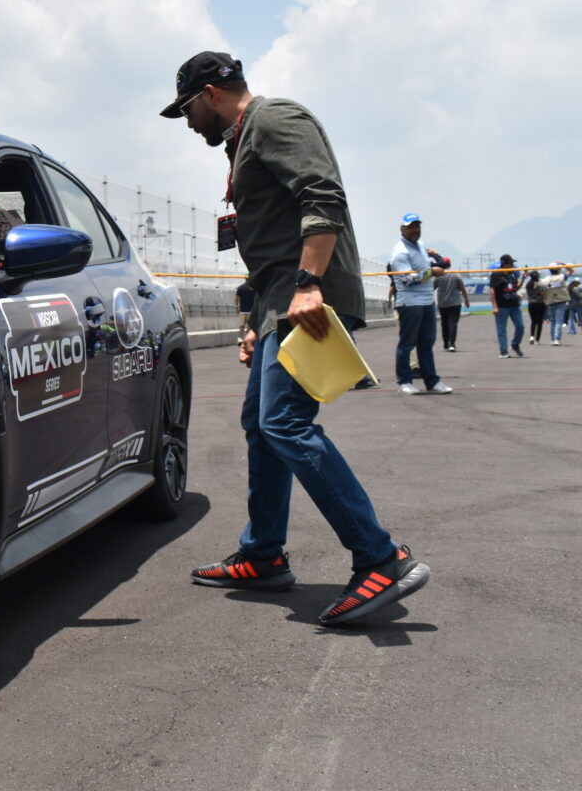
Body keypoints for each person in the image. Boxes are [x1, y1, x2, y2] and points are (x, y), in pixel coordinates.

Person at [160, 50, 428, 626]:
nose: (186, 123)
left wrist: (309, 285)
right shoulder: (243, 140)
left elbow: (323, 196)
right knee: (261, 424)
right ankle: (263, 555)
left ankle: (382, 559)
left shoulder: (276, 118)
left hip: (308, 302)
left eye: (186, 109)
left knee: (284, 422)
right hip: (281, 302)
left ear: (210, 93)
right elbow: (269, 246)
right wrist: (256, 319)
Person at [388, 214, 452, 394]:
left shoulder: (421, 247)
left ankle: (432, 381)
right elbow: (407, 278)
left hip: (427, 301)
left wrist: (435, 261)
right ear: (402, 229)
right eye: (411, 227)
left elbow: (439, 265)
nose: (415, 230)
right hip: (410, 303)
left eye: (417, 226)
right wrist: (432, 272)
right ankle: (404, 381)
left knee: (426, 343)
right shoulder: (401, 252)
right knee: (407, 344)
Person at [489, 255, 525, 358]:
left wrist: (523, 278)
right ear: (504, 263)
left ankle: (515, 344)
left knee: (520, 326)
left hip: (514, 304)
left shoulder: (512, 274)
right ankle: (503, 351)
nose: (512, 265)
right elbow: (492, 291)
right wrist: (495, 306)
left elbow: (516, 288)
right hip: (502, 306)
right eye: (510, 263)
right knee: (502, 330)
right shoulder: (496, 274)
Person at [433, 256, 470, 352]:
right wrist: (466, 300)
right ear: (450, 264)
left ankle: (445, 344)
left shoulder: (438, 276)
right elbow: (462, 289)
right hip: (455, 303)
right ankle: (452, 344)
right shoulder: (456, 276)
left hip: (442, 304)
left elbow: (432, 288)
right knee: (452, 323)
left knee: (444, 324)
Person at [539, 263, 569, 345]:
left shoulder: (545, 280)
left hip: (551, 301)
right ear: (558, 269)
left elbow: (540, 288)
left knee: (553, 321)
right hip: (561, 301)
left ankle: (553, 338)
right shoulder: (562, 277)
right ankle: (556, 338)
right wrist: (563, 264)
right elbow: (570, 270)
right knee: (559, 321)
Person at [525, 270, 547, 345]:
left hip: (531, 304)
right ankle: (537, 339)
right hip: (540, 303)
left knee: (533, 321)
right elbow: (543, 293)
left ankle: (531, 336)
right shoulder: (539, 284)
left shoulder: (528, 284)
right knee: (539, 322)